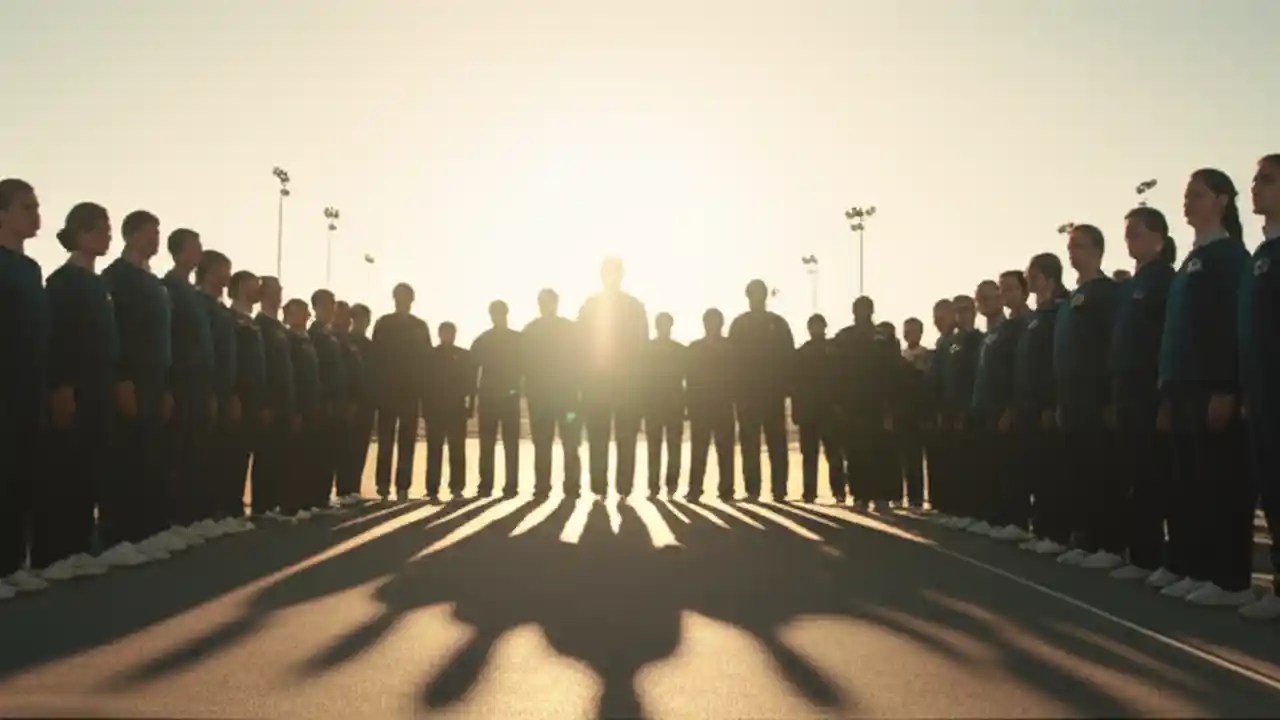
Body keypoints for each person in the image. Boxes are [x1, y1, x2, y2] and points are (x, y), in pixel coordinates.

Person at [1157, 168, 1252, 606]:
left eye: (1197, 195)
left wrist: (1225, 387)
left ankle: (1229, 578)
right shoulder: (1191, 260)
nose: (1187, 202)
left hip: (1211, 387)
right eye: (1187, 195)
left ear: (1222, 201)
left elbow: (1232, 328)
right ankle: (1198, 568)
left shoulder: (1231, 257)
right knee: (1190, 484)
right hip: (1182, 388)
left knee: (1220, 484)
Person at [34, 203, 119, 578]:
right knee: (65, 470)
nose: (108, 236)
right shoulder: (62, 281)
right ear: (82, 234)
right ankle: (54, 554)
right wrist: (62, 386)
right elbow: (58, 340)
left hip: (100, 387)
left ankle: (79, 547)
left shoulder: (99, 284)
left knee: (91, 467)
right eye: (102, 229)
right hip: (75, 387)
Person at [101, 210, 176, 560]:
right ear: (130, 235)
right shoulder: (116, 277)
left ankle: (146, 533)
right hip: (130, 380)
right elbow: (114, 332)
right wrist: (122, 379)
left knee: (153, 458)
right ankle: (119, 538)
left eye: (158, 233)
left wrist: (165, 386)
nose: (156, 239)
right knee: (125, 459)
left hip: (156, 379)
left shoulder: (154, 282)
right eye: (150, 233)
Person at [1107, 207, 1176, 582]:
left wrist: (1166, 395)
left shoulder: (1164, 279)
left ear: (1159, 238)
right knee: (1133, 474)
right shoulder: (1131, 285)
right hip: (1126, 393)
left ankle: (1157, 558)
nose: (1129, 238)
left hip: (1151, 391)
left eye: (1136, 231)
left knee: (1155, 476)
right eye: (1127, 232)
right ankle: (1140, 555)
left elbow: (1166, 339)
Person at [1053, 224, 1121, 568]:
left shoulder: (1106, 293)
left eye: (1078, 245)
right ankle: (1085, 537)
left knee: (1100, 471)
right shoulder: (1070, 300)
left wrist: (1109, 398)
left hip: (1096, 399)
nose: (1072, 252)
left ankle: (1107, 544)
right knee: (1077, 471)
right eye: (1069, 246)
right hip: (1071, 400)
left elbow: (1112, 347)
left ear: (1097, 250)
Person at [0, 179, 52, 596]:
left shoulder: (32, 269)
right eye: (27, 207)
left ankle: (13, 562)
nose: (36, 214)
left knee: (22, 475)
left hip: (29, 386)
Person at [1240, 153, 1280, 619]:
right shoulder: (1261, 255)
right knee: (1271, 490)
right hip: (1263, 393)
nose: (1256, 187)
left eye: (1267, 180)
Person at [578, 257, 649, 499]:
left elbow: (642, 351)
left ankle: (621, 487)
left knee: (623, 438)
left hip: (619, 384)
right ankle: (603, 487)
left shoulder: (628, 306)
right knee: (603, 437)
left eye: (614, 272)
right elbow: (580, 346)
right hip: (602, 383)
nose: (612, 276)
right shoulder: (594, 306)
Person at [1014, 254, 1071, 554]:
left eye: (1033, 276)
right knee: (1036, 469)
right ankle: (1042, 529)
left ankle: (1056, 533)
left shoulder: (1061, 309)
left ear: (1048, 277)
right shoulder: (1038, 314)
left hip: (1048, 405)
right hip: (1029, 405)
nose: (1029, 281)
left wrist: (1051, 403)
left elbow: (1057, 361)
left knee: (1053, 472)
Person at [162, 228, 216, 537]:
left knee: (197, 452)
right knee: (178, 453)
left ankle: (191, 519)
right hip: (180, 382)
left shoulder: (193, 295)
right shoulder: (169, 286)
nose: (200, 252)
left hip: (199, 383)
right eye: (195, 246)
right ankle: (175, 520)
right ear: (180, 251)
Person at [976, 272, 1032, 540]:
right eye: (1002, 289)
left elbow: (1020, 371)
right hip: (991, 407)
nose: (1005, 294)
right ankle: (999, 517)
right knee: (995, 465)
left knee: (1014, 466)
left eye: (1009, 289)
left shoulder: (1026, 324)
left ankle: (1017, 521)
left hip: (1012, 407)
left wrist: (1011, 407)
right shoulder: (1003, 328)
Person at [730, 279, 794, 501]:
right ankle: (766, 489)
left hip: (764, 393)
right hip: (758, 393)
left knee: (767, 443)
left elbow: (788, 359)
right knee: (759, 443)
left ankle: (769, 489)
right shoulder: (773, 324)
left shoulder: (748, 324)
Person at [372, 283, 431, 502]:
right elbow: (375, 358)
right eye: (399, 297)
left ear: (411, 300)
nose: (403, 301)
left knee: (407, 442)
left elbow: (426, 363)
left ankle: (403, 486)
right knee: (385, 441)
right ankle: (383, 485)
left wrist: (424, 394)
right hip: (388, 391)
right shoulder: (384, 324)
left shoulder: (419, 326)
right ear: (394, 298)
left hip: (410, 391)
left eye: (406, 297)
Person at [521, 289, 583, 497]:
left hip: (549, 394)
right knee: (561, 442)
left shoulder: (531, 330)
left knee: (549, 443)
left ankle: (545, 486)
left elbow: (523, 364)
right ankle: (566, 487)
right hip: (562, 394)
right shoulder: (569, 329)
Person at [196, 250, 241, 528]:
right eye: (225, 269)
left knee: (222, 454)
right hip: (205, 388)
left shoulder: (222, 310)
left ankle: (218, 512)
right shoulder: (198, 303)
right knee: (202, 454)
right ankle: (200, 515)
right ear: (211, 271)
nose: (228, 276)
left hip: (225, 388)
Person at [252, 276, 295, 517]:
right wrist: (265, 401)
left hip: (285, 399)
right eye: (275, 290)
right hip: (269, 399)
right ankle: (262, 504)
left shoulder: (279, 328)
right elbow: (262, 366)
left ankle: (275, 502)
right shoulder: (260, 325)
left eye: (280, 290)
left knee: (280, 452)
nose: (279, 295)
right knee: (265, 452)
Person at [938, 293, 983, 526]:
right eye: (957, 311)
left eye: (966, 309)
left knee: (973, 463)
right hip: (953, 410)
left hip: (973, 408)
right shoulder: (953, 342)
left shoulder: (979, 339)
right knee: (958, 463)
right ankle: (961, 511)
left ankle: (974, 512)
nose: (962, 314)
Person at [471, 300, 523, 497]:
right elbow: (473, 370)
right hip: (495, 397)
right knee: (495, 444)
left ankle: (496, 486)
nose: (497, 317)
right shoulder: (514, 339)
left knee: (500, 444)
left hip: (501, 396)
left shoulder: (484, 340)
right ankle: (495, 485)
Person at [226, 270, 265, 524]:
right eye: (253, 286)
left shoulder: (253, 323)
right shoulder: (231, 319)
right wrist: (232, 394)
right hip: (236, 396)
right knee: (231, 453)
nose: (258, 291)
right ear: (240, 287)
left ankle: (237, 506)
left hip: (254, 397)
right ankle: (228, 507)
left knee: (246, 454)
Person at [793, 314, 844, 503]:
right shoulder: (807, 353)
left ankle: (837, 490)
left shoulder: (831, 351)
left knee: (832, 453)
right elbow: (795, 385)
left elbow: (840, 380)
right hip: (814, 411)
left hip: (827, 410)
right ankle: (811, 491)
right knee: (811, 454)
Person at [686, 308, 735, 501]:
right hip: (703, 405)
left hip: (722, 404)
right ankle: (695, 489)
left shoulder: (730, 348)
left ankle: (726, 489)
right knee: (699, 450)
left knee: (725, 450)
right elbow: (689, 380)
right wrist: (689, 405)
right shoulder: (696, 348)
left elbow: (736, 377)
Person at [424, 322, 476, 501]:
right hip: (436, 409)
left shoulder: (464, 356)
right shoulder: (430, 355)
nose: (448, 336)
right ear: (440, 334)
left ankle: (457, 488)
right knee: (434, 450)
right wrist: (425, 409)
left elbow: (471, 385)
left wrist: (470, 407)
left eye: (451, 333)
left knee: (457, 450)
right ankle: (432, 489)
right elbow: (424, 385)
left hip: (456, 409)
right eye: (445, 333)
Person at [310, 289, 347, 510]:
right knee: (319, 452)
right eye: (327, 304)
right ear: (317, 307)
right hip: (323, 400)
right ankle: (315, 497)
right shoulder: (314, 334)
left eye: (332, 304)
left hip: (335, 401)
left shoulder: (330, 334)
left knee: (330, 451)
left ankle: (323, 496)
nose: (332, 308)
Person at [283, 298, 321, 518]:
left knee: (308, 454)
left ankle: (304, 501)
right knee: (293, 457)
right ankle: (291, 504)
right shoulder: (289, 340)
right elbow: (291, 376)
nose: (305, 316)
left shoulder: (306, 340)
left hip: (310, 403)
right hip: (297, 404)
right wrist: (295, 408)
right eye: (300, 312)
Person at [644, 312, 687, 498]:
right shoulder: (679, 350)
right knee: (671, 447)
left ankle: (657, 488)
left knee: (656, 448)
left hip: (658, 405)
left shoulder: (648, 350)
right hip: (670, 404)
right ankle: (669, 486)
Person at [923, 299, 956, 515]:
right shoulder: (941, 343)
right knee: (938, 461)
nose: (938, 321)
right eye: (935, 317)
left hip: (950, 410)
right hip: (936, 411)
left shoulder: (955, 342)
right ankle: (940, 504)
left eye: (942, 316)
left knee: (951, 461)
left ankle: (951, 505)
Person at [342, 303, 375, 503]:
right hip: (349, 402)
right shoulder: (345, 342)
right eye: (357, 319)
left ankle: (353, 487)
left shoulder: (371, 346)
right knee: (345, 446)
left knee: (360, 446)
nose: (361, 323)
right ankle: (344, 489)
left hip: (366, 402)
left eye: (364, 319)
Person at [900, 317, 932, 509]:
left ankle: (918, 498)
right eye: (906, 330)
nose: (909, 334)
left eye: (913, 330)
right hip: (902, 413)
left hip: (919, 413)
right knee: (904, 458)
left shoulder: (926, 356)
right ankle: (907, 496)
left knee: (917, 459)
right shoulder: (900, 356)